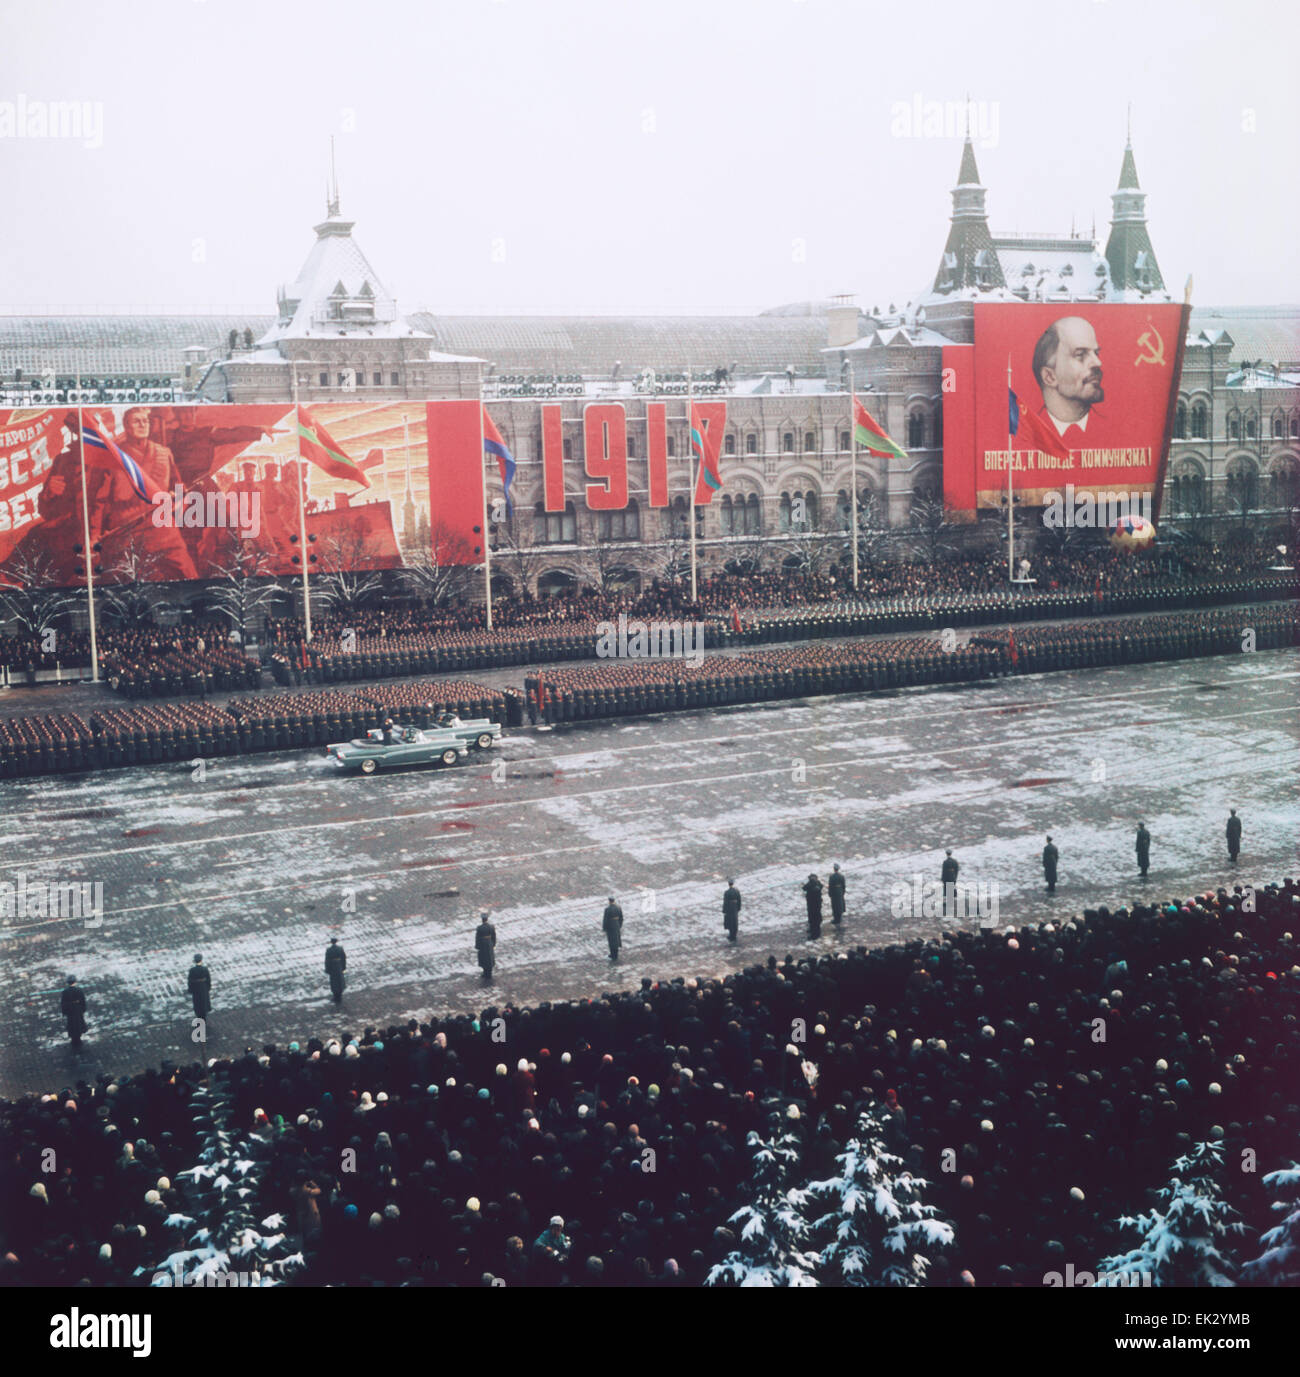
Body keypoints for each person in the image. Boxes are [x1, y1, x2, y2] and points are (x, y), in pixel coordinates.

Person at [60, 975, 86, 1051]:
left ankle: (73, 1039)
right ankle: (78, 1038)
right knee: (78, 1023)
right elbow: (83, 1001)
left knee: (71, 1024)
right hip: (77, 1010)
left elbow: (63, 1003)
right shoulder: (79, 990)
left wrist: (64, 1011)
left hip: (70, 1011)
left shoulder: (65, 992)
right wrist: (83, 1009)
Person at [325, 937, 347, 1003]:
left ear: (331, 942)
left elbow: (327, 960)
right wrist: (343, 967)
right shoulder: (340, 948)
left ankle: (335, 996)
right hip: (339, 966)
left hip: (332, 967)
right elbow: (343, 958)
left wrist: (327, 969)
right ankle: (339, 995)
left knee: (334, 981)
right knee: (339, 981)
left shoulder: (329, 950)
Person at [476, 912, 497, 979]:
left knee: (484, 959)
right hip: (489, 943)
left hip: (482, 944)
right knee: (490, 958)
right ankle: (489, 973)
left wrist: (477, 946)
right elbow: (494, 936)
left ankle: (485, 972)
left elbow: (477, 938)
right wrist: (493, 944)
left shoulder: (480, 928)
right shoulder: (491, 927)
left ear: (482, 919)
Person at [803, 873, 823, 939]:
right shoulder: (818, 884)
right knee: (816, 919)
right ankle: (814, 931)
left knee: (813, 920)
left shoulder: (810, 884)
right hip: (817, 905)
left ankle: (815, 935)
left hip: (812, 906)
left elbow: (804, 888)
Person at [941, 850, 960, 920]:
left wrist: (943, 878)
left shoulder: (945, 862)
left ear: (946, 854)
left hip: (947, 877)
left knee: (946, 890)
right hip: (952, 877)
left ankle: (948, 904)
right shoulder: (955, 861)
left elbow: (944, 871)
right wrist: (955, 877)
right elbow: (957, 870)